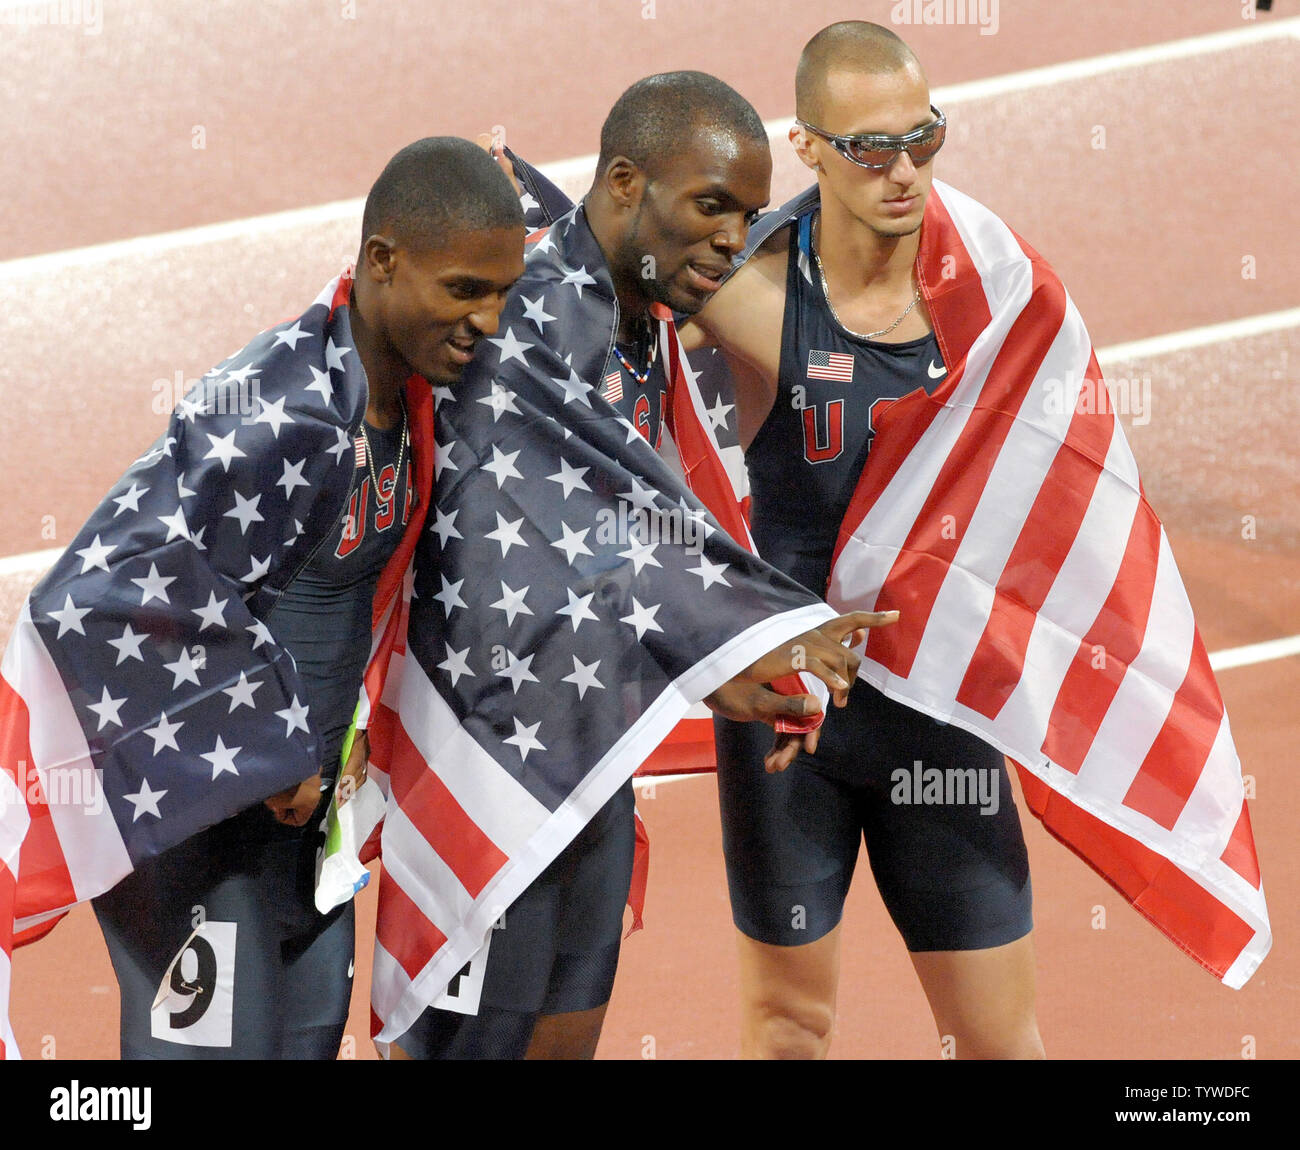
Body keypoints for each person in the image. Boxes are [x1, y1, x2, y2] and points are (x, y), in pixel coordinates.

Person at [382, 71, 896, 1061]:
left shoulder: (638, 321)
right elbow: (542, 539)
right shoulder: (520, 321)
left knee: (566, 1044)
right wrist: (740, 634)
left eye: (744, 216)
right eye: (707, 206)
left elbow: (621, 535)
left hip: (587, 761)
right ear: (624, 183)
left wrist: (730, 664)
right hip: (493, 760)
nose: (729, 240)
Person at [27, 137, 529, 1058]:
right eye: (465, 290)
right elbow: (85, 599)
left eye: (503, 292)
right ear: (381, 261)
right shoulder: (276, 413)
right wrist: (272, 745)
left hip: (299, 833)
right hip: (199, 830)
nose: (490, 321)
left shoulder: (408, 394)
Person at [676, 24, 1046, 1059]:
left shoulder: (990, 285)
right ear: (806, 148)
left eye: (921, 138)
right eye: (867, 148)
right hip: (791, 715)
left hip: (937, 707)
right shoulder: (744, 294)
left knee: (998, 1039)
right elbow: (595, 332)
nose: (901, 170)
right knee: (789, 1028)